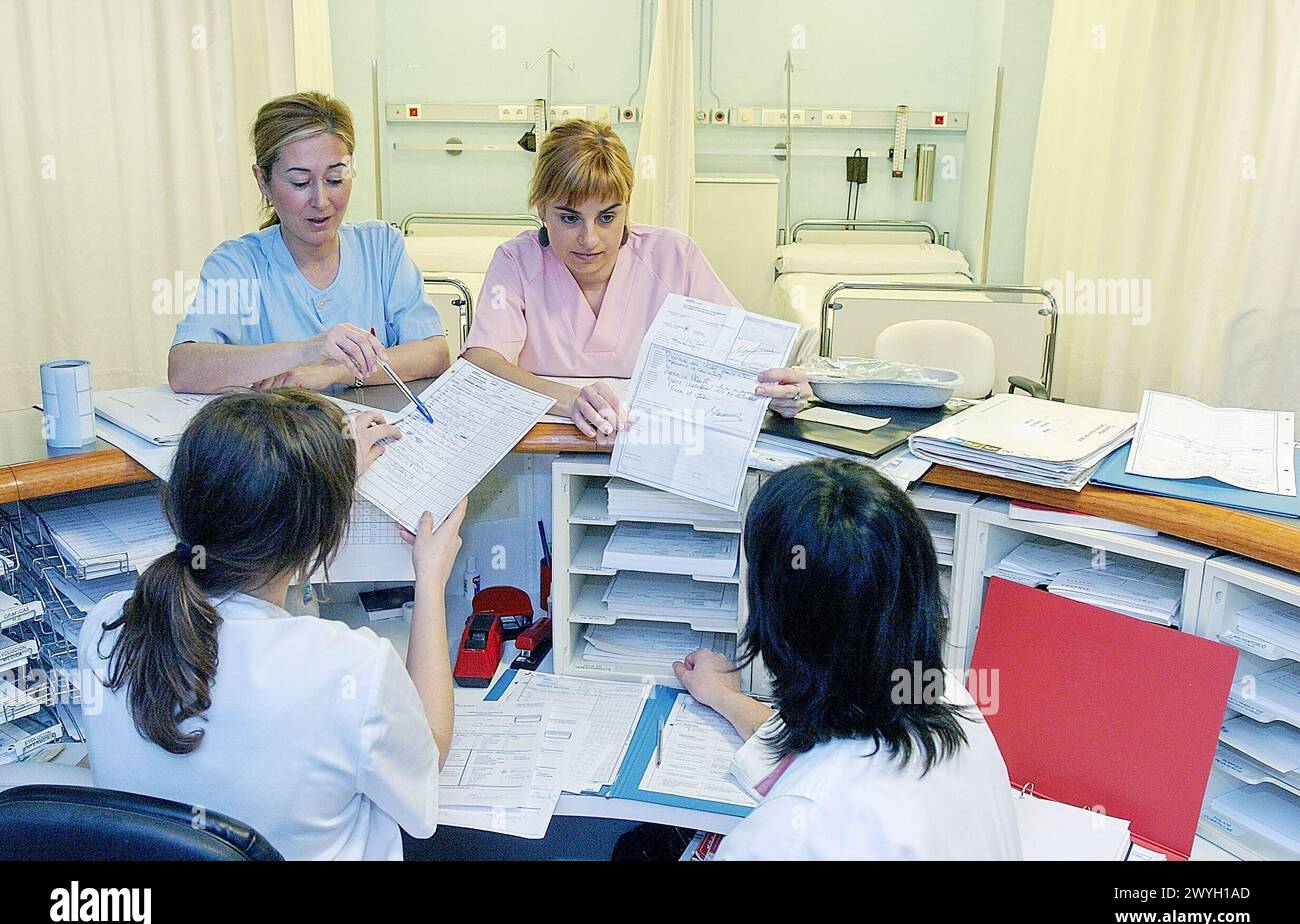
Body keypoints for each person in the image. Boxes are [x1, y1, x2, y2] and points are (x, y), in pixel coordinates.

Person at [78, 389, 466, 860]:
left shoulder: (106, 626)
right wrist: (430, 580)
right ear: (317, 537)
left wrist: (324, 486)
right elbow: (428, 757)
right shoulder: (353, 668)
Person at [673, 459, 1022, 860]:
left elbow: (823, 790)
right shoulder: (945, 698)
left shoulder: (792, 836)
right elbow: (834, 744)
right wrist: (727, 699)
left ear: (777, 616)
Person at [462, 118, 812, 440]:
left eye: (607, 217)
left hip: (658, 444)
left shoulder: (674, 257)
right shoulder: (516, 261)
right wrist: (569, 401)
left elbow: (746, 357)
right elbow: (481, 362)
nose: (590, 239)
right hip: (543, 448)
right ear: (541, 210)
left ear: (627, 206)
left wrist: (781, 391)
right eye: (569, 219)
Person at [168, 92, 450, 394]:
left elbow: (434, 353)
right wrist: (306, 351)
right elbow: (186, 369)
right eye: (301, 183)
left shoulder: (380, 247)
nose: (321, 201)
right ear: (263, 181)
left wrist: (337, 371)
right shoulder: (238, 263)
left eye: (335, 180)